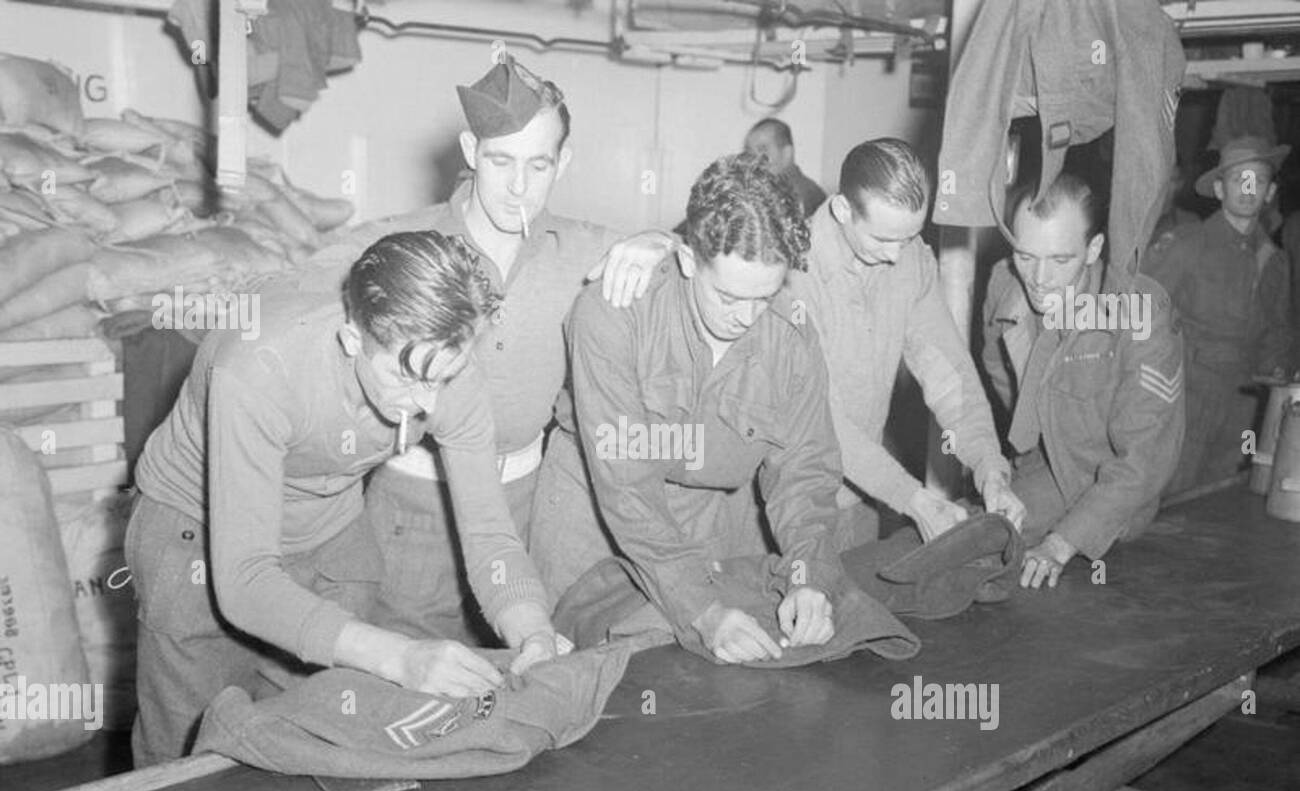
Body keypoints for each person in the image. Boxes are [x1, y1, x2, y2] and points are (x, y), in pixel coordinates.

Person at [127, 232, 557, 765]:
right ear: (353, 339)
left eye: (445, 377)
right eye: (406, 377)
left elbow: (490, 537)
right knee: (189, 757)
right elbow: (245, 583)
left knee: (325, 737)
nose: (428, 403)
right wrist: (400, 657)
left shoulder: (438, 365)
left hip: (328, 525)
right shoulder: (259, 366)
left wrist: (532, 630)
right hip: (198, 525)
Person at [299, 56, 674, 642]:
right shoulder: (402, 244)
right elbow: (294, 299)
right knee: (412, 672)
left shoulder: (587, 251)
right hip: (417, 500)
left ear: (562, 163)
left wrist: (660, 243)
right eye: (501, 161)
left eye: (538, 164)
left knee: (520, 656)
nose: (519, 186)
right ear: (471, 150)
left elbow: (702, 267)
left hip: (528, 502)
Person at [534, 153, 844, 664]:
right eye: (728, 297)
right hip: (591, 519)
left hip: (703, 524)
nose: (747, 319)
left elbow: (804, 471)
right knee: (577, 677)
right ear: (685, 259)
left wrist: (807, 576)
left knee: (687, 685)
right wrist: (701, 609)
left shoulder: (791, 335)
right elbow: (626, 485)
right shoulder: (613, 315)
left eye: (764, 297)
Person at [788, 137, 1025, 547]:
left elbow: (950, 379)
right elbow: (818, 418)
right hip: (786, 503)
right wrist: (912, 499)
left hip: (861, 497)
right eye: (882, 239)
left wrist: (990, 470)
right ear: (843, 210)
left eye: (909, 236)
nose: (896, 256)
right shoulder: (794, 272)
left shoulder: (909, 258)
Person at [982, 174, 1185, 589]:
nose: (1039, 278)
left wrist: (1062, 543)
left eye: (1060, 260)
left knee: (982, 545)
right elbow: (998, 371)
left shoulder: (1139, 311)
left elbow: (1144, 458)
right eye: (1025, 255)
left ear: (1093, 249)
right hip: (1037, 467)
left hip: (1108, 488)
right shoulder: (1004, 282)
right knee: (963, 536)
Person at [1143, 136, 1294, 493]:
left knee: (1228, 489)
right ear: (1219, 188)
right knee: (1167, 493)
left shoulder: (1274, 261)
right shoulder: (1186, 244)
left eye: (1258, 180)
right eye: (1239, 179)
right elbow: (1141, 315)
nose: (1248, 189)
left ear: (1270, 192)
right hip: (1185, 399)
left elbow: (1279, 335)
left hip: (1244, 411)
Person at [744, 117, 826, 217]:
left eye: (763, 149)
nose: (754, 158)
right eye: (749, 152)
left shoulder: (798, 196)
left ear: (787, 153)